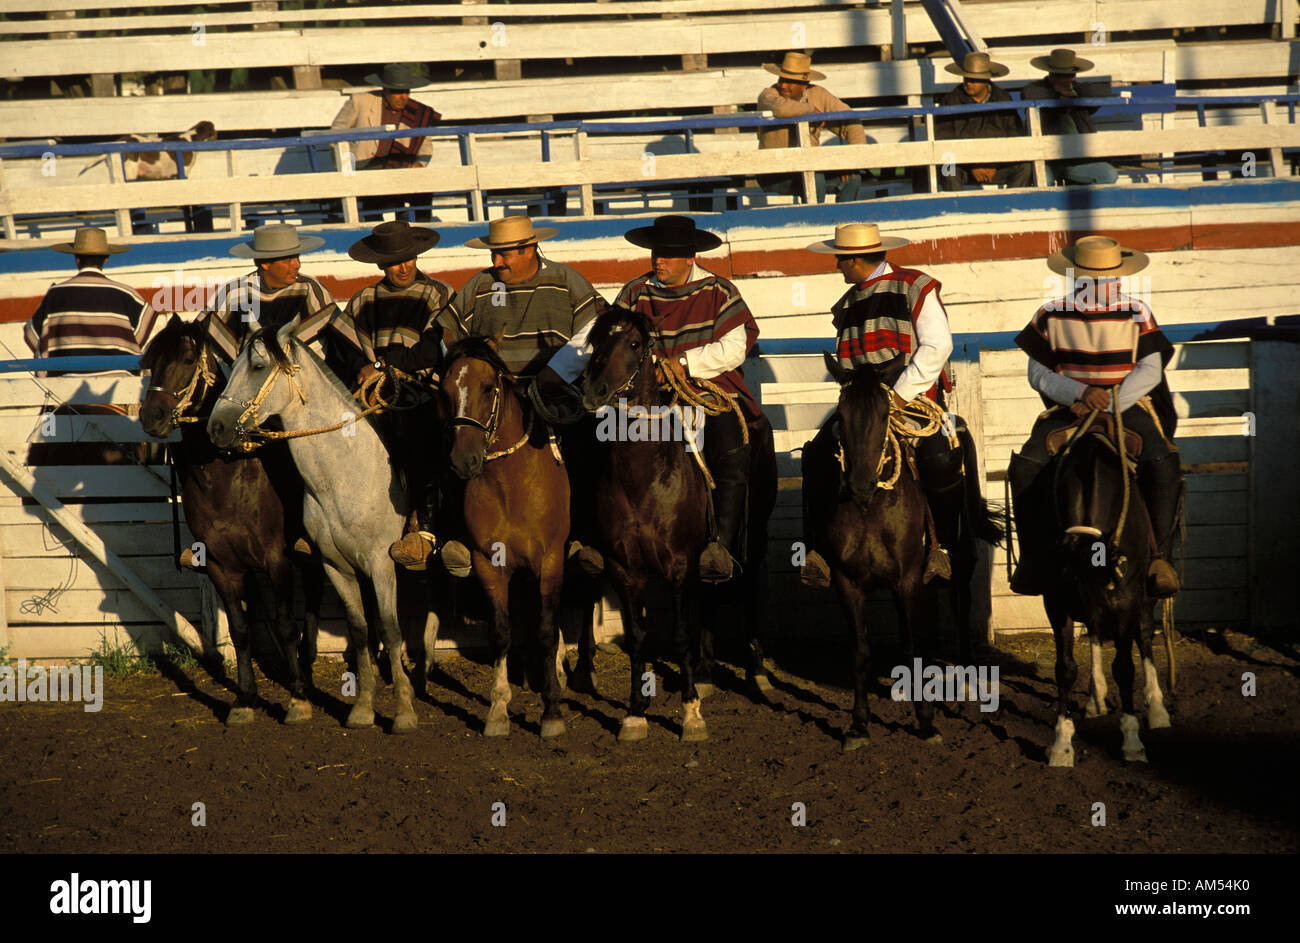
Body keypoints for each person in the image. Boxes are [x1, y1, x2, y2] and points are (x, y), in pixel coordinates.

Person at [544, 215, 761, 582]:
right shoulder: (635, 292)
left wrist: (681, 363)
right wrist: (552, 373)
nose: (658, 260)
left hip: (704, 390)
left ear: (690, 257)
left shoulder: (719, 291)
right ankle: (590, 540)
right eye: (656, 253)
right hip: (642, 395)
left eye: (668, 255)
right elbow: (599, 336)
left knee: (727, 442)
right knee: (593, 439)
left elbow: (734, 348)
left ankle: (721, 545)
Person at [799, 222, 995, 587]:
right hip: (863, 406)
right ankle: (818, 553)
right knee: (817, 457)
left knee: (938, 454)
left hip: (913, 400)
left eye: (840, 259)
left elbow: (937, 344)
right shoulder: (846, 303)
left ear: (855, 259)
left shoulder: (914, 286)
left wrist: (900, 395)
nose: (837, 265)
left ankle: (945, 546)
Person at [1008, 235, 1181, 598]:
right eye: (1094, 277)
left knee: (1162, 461)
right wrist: (1080, 393)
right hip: (1068, 410)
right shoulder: (1050, 313)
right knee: (1024, 466)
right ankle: (1034, 558)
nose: (1105, 284)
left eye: (1110, 276)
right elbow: (1038, 374)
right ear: (1077, 278)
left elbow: (1150, 371)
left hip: (1127, 408)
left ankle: (1159, 559)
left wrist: (1110, 401)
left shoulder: (1138, 312)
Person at [453, 215, 606, 574]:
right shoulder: (479, 286)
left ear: (529, 249)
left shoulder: (568, 282)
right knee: (454, 445)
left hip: (556, 396)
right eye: (494, 254)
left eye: (504, 254)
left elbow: (598, 331)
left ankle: (584, 539)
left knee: (590, 448)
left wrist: (558, 374)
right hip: (490, 401)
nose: (496, 263)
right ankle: (452, 538)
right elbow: (449, 331)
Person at [328, 221, 470, 574]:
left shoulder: (438, 293)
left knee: (422, 435)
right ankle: (325, 527)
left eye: (408, 259)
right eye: (394, 262)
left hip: (420, 391)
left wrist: (380, 364)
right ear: (380, 264)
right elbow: (342, 347)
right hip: (370, 395)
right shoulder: (364, 299)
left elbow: (431, 351)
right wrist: (363, 368)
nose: (403, 267)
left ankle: (426, 530)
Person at [200, 223, 339, 368]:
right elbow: (203, 338)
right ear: (265, 263)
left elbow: (337, 336)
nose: (297, 265)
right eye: (287, 260)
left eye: (297, 257)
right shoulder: (234, 293)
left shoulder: (309, 289)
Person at [24, 227, 156, 374]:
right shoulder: (126, 294)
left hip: (64, 384)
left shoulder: (55, 294)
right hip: (118, 384)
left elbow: (35, 337)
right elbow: (139, 336)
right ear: (106, 258)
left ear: (77, 258)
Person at [330, 63, 439, 222]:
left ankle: (423, 232)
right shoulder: (360, 101)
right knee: (373, 201)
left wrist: (419, 165)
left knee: (424, 189)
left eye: (407, 91)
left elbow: (426, 145)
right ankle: (377, 235)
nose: (404, 97)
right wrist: (348, 168)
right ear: (385, 90)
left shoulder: (416, 111)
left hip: (402, 170)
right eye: (398, 92)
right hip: (368, 169)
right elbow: (336, 134)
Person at [755, 51, 866, 204]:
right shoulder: (768, 95)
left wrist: (851, 162)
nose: (783, 85)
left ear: (804, 85)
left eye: (790, 81)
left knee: (852, 179)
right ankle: (815, 224)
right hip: (775, 173)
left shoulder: (818, 94)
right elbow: (781, 109)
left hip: (810, 167)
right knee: (815, 179)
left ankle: (846, 225)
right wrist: (809, 109)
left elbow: (851, 121)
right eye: (782, 79)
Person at [934, 51, 1032, 191]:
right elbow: (943, 139)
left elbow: (1014, 136)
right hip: (963, 167)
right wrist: (974, 165)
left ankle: (1012, 206)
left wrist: (994, 165)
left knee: (1025, 167)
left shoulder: (1003, 99)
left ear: (986, 80)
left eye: (974, 79)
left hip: (997, 166)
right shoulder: (950, 101)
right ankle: (955, 210)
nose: (969, 83)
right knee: (947, 169)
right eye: (966, 78)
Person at [1020, 48, 1119, 186]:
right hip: (1047, 159)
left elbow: (1104, 91)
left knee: (1108, 174)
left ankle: (1087, 205)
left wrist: (1074, 94)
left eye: (1070, 75)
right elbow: (1028, 94)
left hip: (1078, 160)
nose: (1067, 79)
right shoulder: (1036, 89)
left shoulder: (1079, 90)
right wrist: (1057, 95)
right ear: (1051, 74)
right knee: (1044, 180)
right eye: (1061, 75)